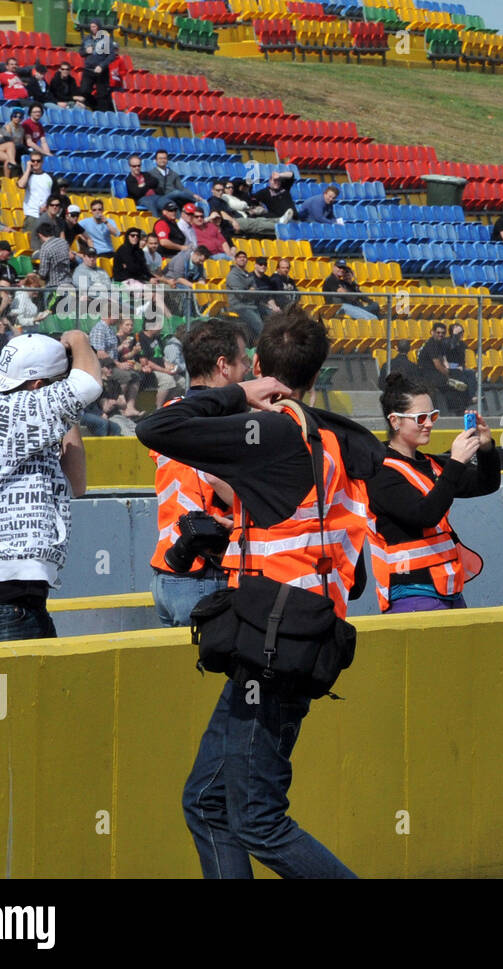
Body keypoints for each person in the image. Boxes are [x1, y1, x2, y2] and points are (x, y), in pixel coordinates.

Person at [136, 307, 384, 879]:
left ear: (262, 369)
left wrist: (238, 394)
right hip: (294, 637)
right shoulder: (336, 436)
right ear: (318, 373)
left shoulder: (271, 433)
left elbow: (158, 427)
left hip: (275, 647)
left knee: (259, 819)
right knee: (207, 803)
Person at [0, 331, 102, 644]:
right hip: (4, 597)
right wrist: (77, 340)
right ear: (38, 386)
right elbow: (89, 384)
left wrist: (64, 408)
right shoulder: (23, 409)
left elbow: (76, 483)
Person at [147, 319, 249, 627]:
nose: (248, 369)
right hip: (205, 573)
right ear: (223, 366)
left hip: (167, 572)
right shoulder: (223, 421)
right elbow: (217, 479)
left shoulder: (171, 414)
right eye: (243, 360)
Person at [368, 373, 498, 613]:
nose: (428, 423)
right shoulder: (380, 472)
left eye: (432, 416)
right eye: (420, 418)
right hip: (410, 593)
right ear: (395, 421)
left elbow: (486, 483)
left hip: (448, 588)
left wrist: (486, 448)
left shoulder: (432, 465)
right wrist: (457, 463)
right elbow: (424, 514)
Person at [416, 321, 467, 414]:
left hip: (436, 373)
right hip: (428, 374)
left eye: (443, 333)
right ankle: (458, 408)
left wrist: (448, 370)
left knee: (461, 375)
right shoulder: (431, 344)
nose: (441, 335)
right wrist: (447, 374)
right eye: (438, 333)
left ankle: (462, 405)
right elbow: (437, 364)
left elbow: (443, 359)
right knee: (452, 385)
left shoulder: (440, 344)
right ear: (432, 332)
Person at [17, 152, 54, 248]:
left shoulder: (49, 177)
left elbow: (54, 196)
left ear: (42, 162)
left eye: (38, 161)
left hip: (46, 215)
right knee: (31, 244)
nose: (35, 163)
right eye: (33, 161)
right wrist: (28, 169)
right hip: (32, 215)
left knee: (47, 245)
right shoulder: (28, 175)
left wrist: (47, 207)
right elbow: (21, 185)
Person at [224, 249, 262, 343]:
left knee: (270, 314)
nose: (242, 259)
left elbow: (256, 290)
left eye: (244, 257)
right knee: (258, 324)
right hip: (239, 306)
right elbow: (241, 295)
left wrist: (250, 291)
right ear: (235, 260)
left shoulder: (248, 274)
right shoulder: (233, 275)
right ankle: (263, 344)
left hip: (251, 304)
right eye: (239, 257)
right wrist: (250, 291)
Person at [79, 20, 115, 110]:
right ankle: (94, 106)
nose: (93, 29)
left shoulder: (105, 40)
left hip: (101, 71)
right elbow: (81, 52)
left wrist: (102, 66)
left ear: (99, 27)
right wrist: (86, 51)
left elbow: (111, 56)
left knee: (102, 94)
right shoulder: (87, 39)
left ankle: (102, 113)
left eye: (94, 26)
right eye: (91, 27)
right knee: (84, 91)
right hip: (88, 70)